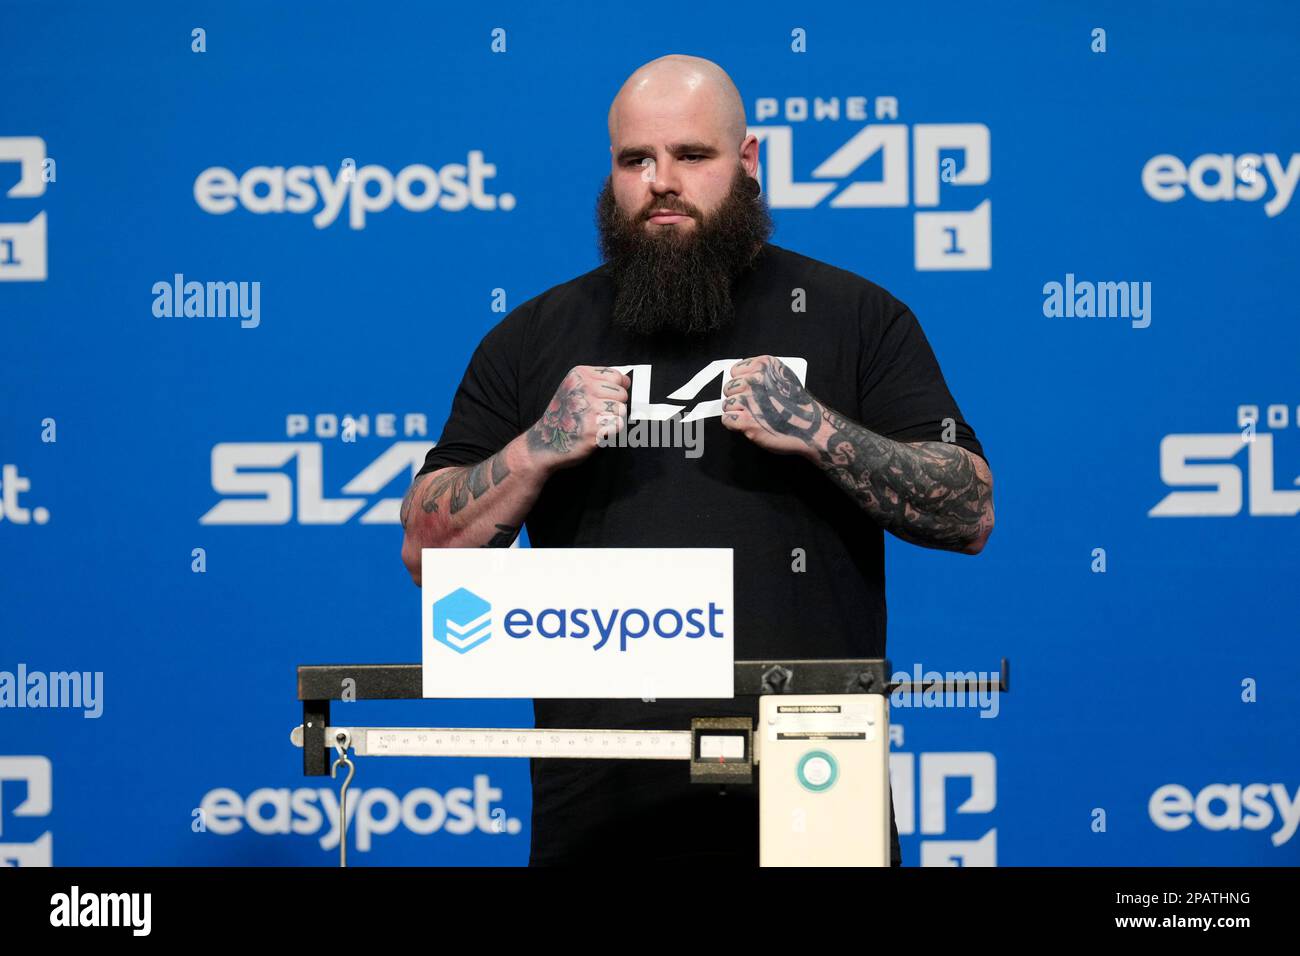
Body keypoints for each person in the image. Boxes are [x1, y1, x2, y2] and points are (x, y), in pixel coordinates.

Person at [400, 54, 994, 867]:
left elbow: (969, 511)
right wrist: (538, 446)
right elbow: (428, 554)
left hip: (814, 774)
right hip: (600, 792)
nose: (661, 182)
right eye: (635, 160)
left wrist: (818, 428)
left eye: (692, 156)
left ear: (746, 162)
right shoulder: (533, 338)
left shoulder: (856, 317)